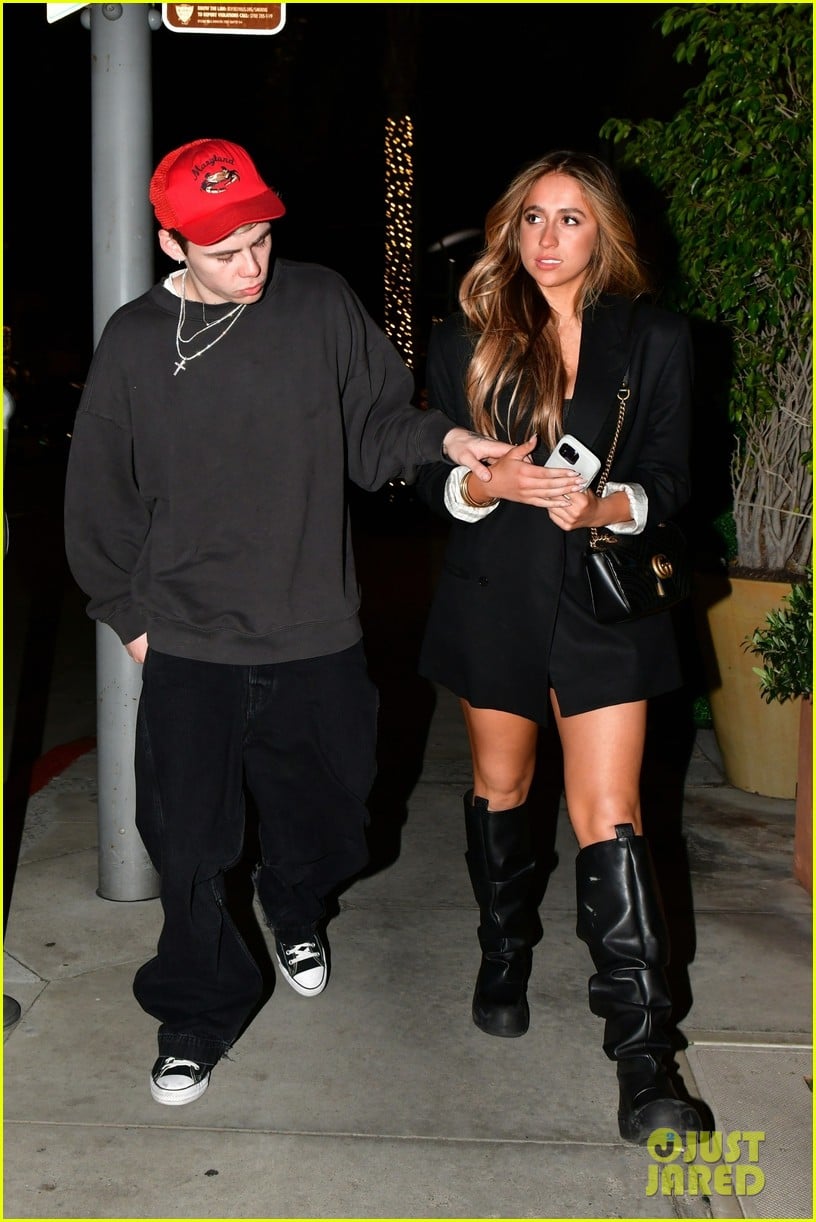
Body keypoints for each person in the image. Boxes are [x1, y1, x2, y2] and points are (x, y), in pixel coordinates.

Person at [63, 137, 512, 1107]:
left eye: (261, 239)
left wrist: (445, 440)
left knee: (340, 825)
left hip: (316, 632)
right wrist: (134, 620)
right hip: (189, 642)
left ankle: (295, 901)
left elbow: (374, 431)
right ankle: (198, 1009)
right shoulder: (136, 342)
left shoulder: (317, 305)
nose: (252, 264)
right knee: (186, 846)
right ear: (171, 243)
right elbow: (96, 502)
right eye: (225, 250)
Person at [413, 151, 702, 1145]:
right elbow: (430, 480)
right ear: (510, 228)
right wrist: (486, 485)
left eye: (570, 219)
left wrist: (605, 503)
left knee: (610, 813)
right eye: (532, 217)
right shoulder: (468, 341)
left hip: (601, 601)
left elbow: (671, 471)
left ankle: (644, 1051)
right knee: (502, 788)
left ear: (603, 233)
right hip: (493, 596)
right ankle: (504, 946)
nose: (547, 237)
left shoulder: (656, 337)